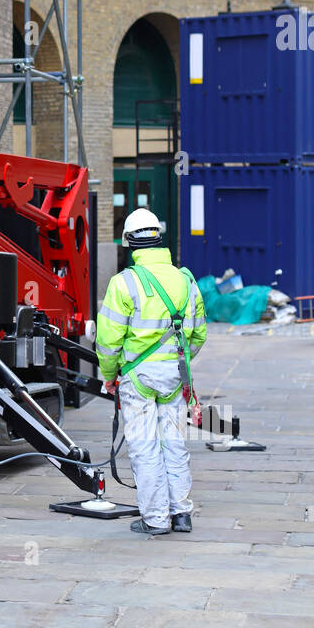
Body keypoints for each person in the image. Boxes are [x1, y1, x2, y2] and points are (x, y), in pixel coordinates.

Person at [96, 208, 207, 536]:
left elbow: (108, 339)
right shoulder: (186, 280)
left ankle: (156, 519)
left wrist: (109, 374)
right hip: (175, 377)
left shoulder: (122, 284)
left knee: (145, 445)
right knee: (174, 441)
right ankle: (182, 513)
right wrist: (178, 360)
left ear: (129, 242)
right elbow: (198, 334)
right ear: (160, 239)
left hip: (137, 378)